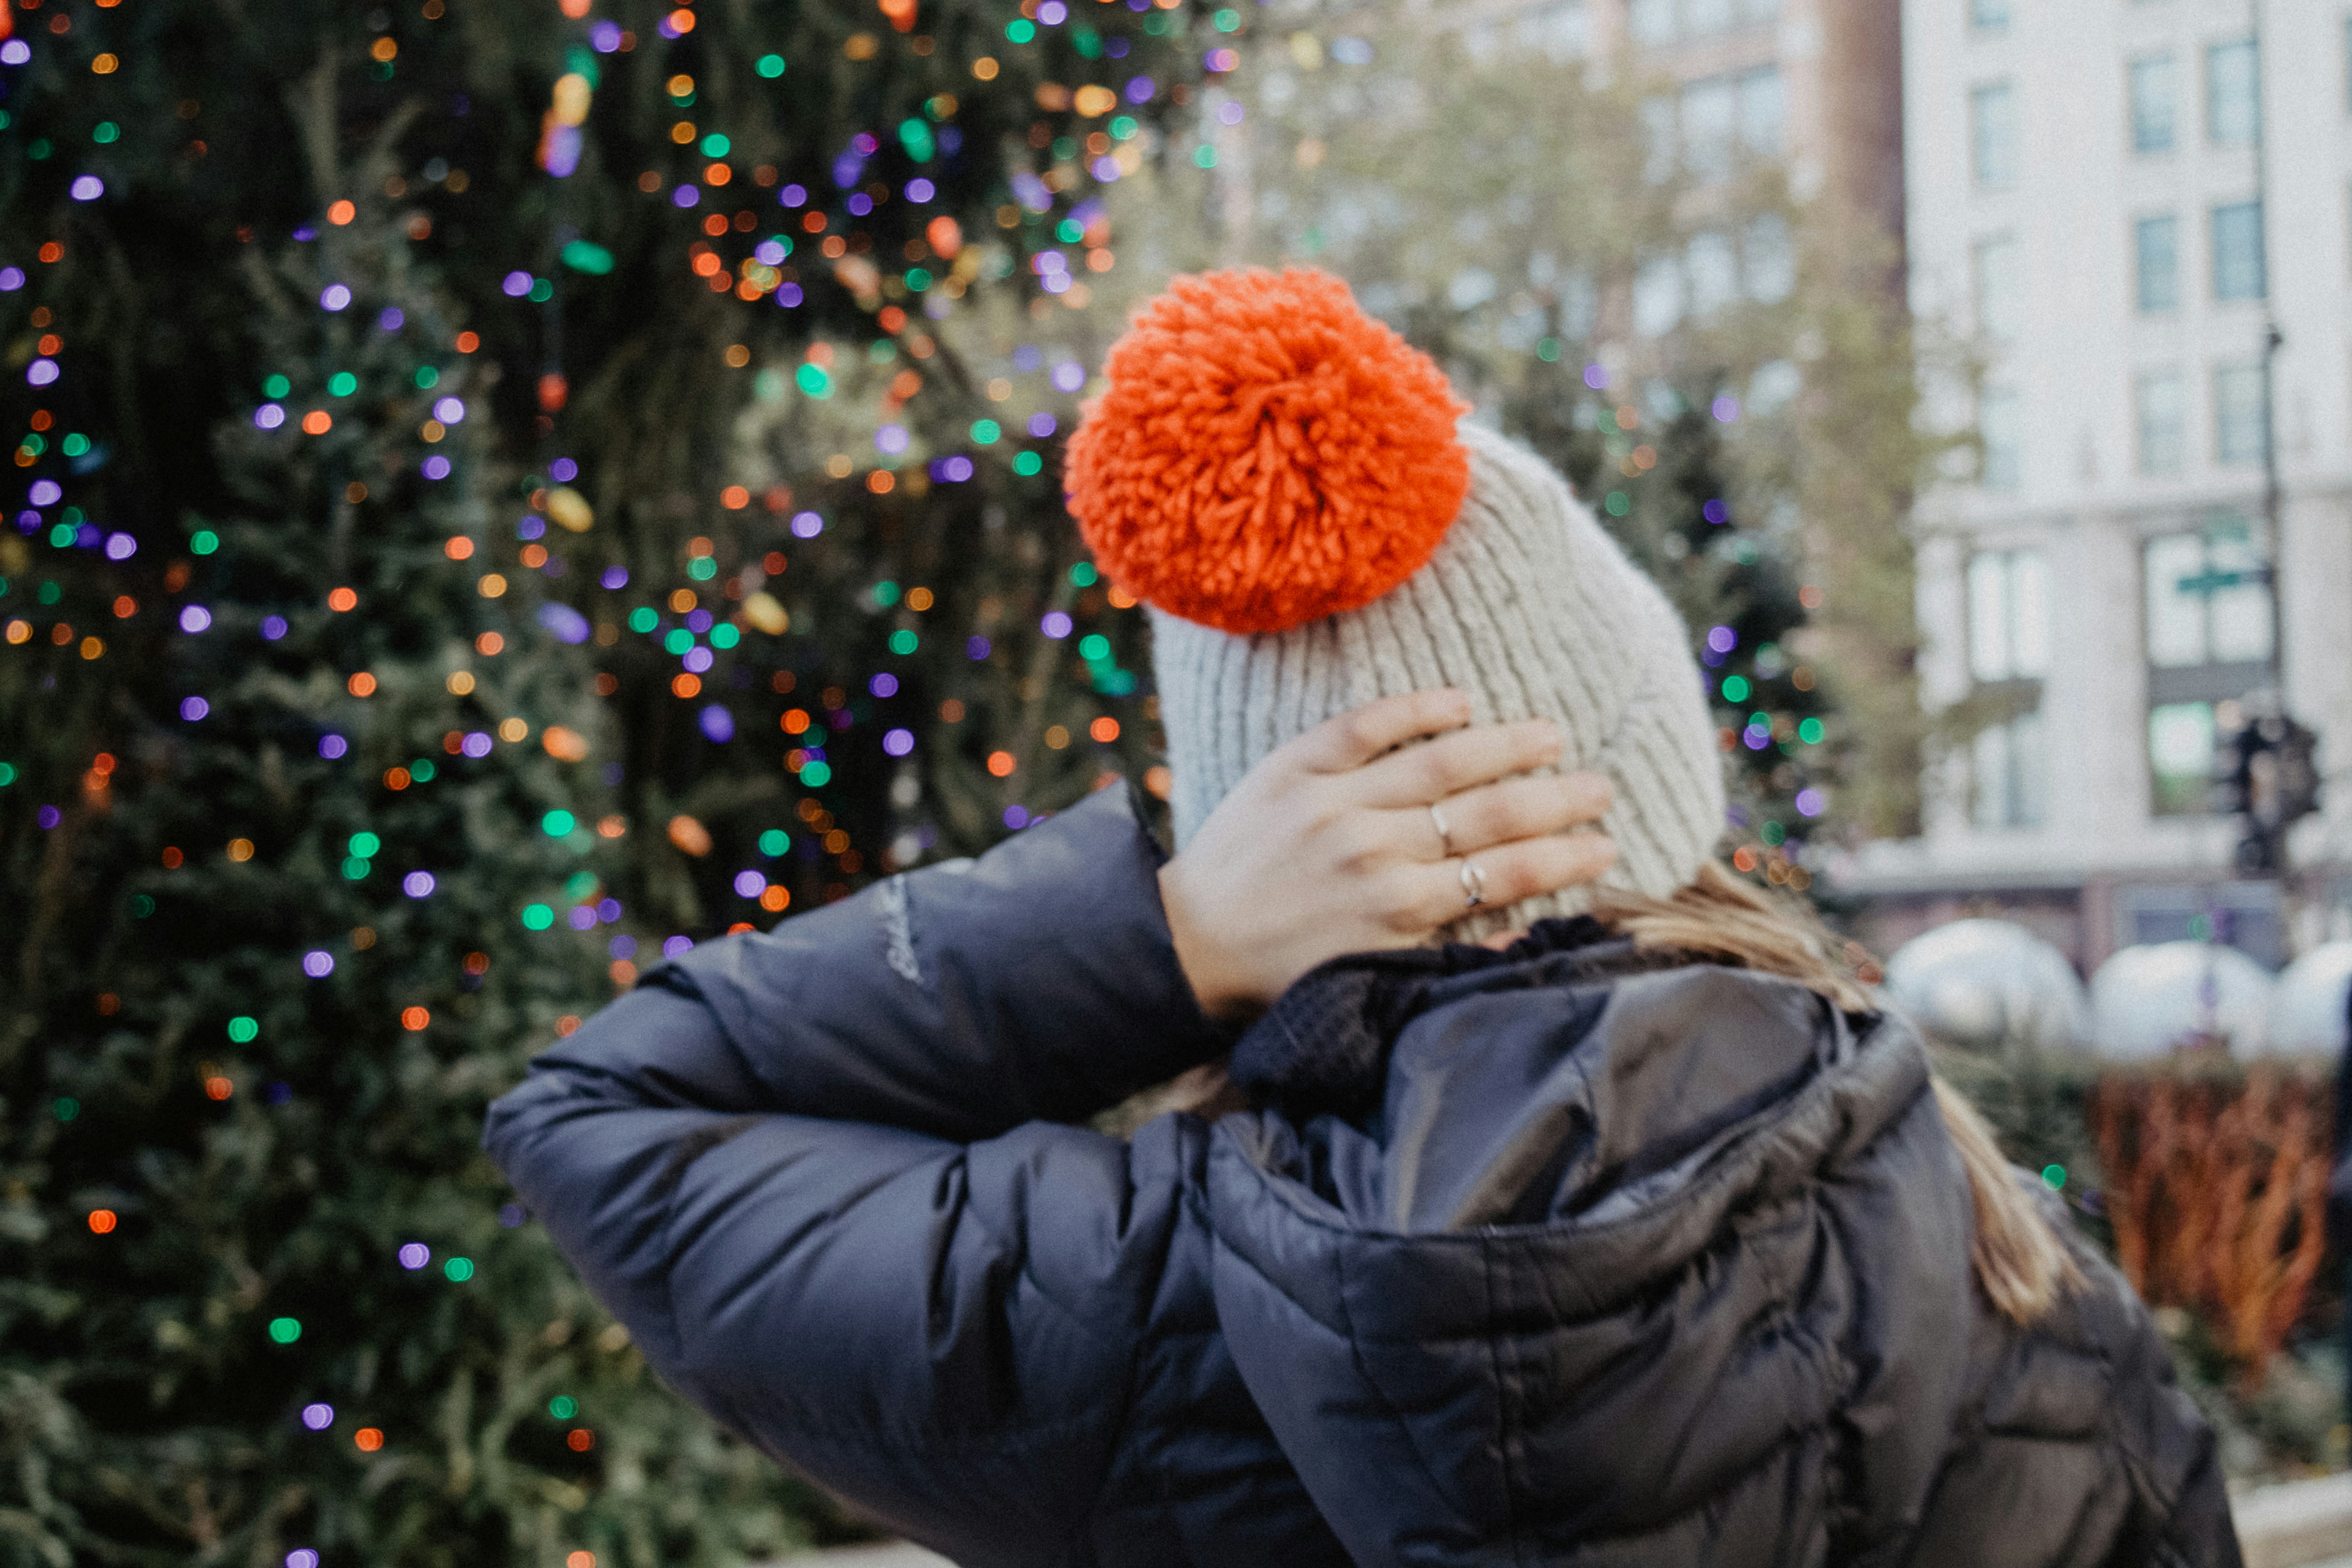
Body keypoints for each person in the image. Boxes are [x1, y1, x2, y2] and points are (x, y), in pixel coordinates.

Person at [487, 269, 2238, 1566]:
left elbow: (606, 1116)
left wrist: (1160, 937)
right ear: (1637, 764)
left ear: (1266, 833)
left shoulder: (1138, 1299)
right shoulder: (2009, 1271)